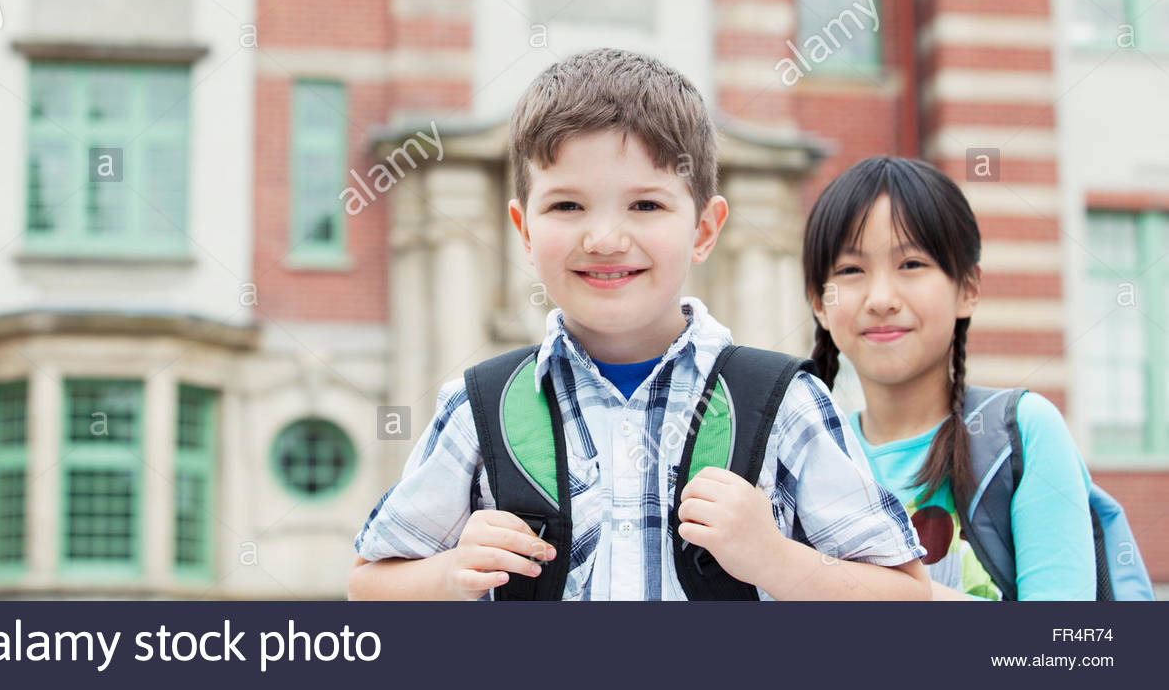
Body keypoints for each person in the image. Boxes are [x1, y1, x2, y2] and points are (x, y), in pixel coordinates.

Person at [348, 48, 929, 600]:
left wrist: (775, 558)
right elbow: (369, 584)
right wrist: (451, 572)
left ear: (704, 230)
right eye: (567, 206)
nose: (604, 239)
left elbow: (905, 594)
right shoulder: (481, 406)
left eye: (646, 205)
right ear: (524, 231)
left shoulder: (783, 403)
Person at [802, 155, 1096, 599]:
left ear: (968, 289)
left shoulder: (1022, 435)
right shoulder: (804, 455)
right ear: (819, 301)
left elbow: (1061, 652)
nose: (881, 299)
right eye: (850, 271)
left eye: (912, 264)